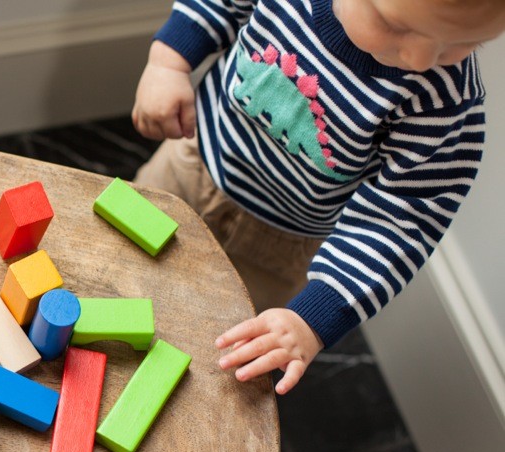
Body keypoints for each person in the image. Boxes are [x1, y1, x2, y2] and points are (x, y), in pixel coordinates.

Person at [132, 0, 505, 394]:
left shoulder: (445, 104)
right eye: (394, 25)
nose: (421, 58)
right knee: (122, 257)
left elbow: (399, 224)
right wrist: (168, 61)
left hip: (281, 250)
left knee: (215, 351)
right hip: (188, 166)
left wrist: (312, 319)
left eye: (468, 44)